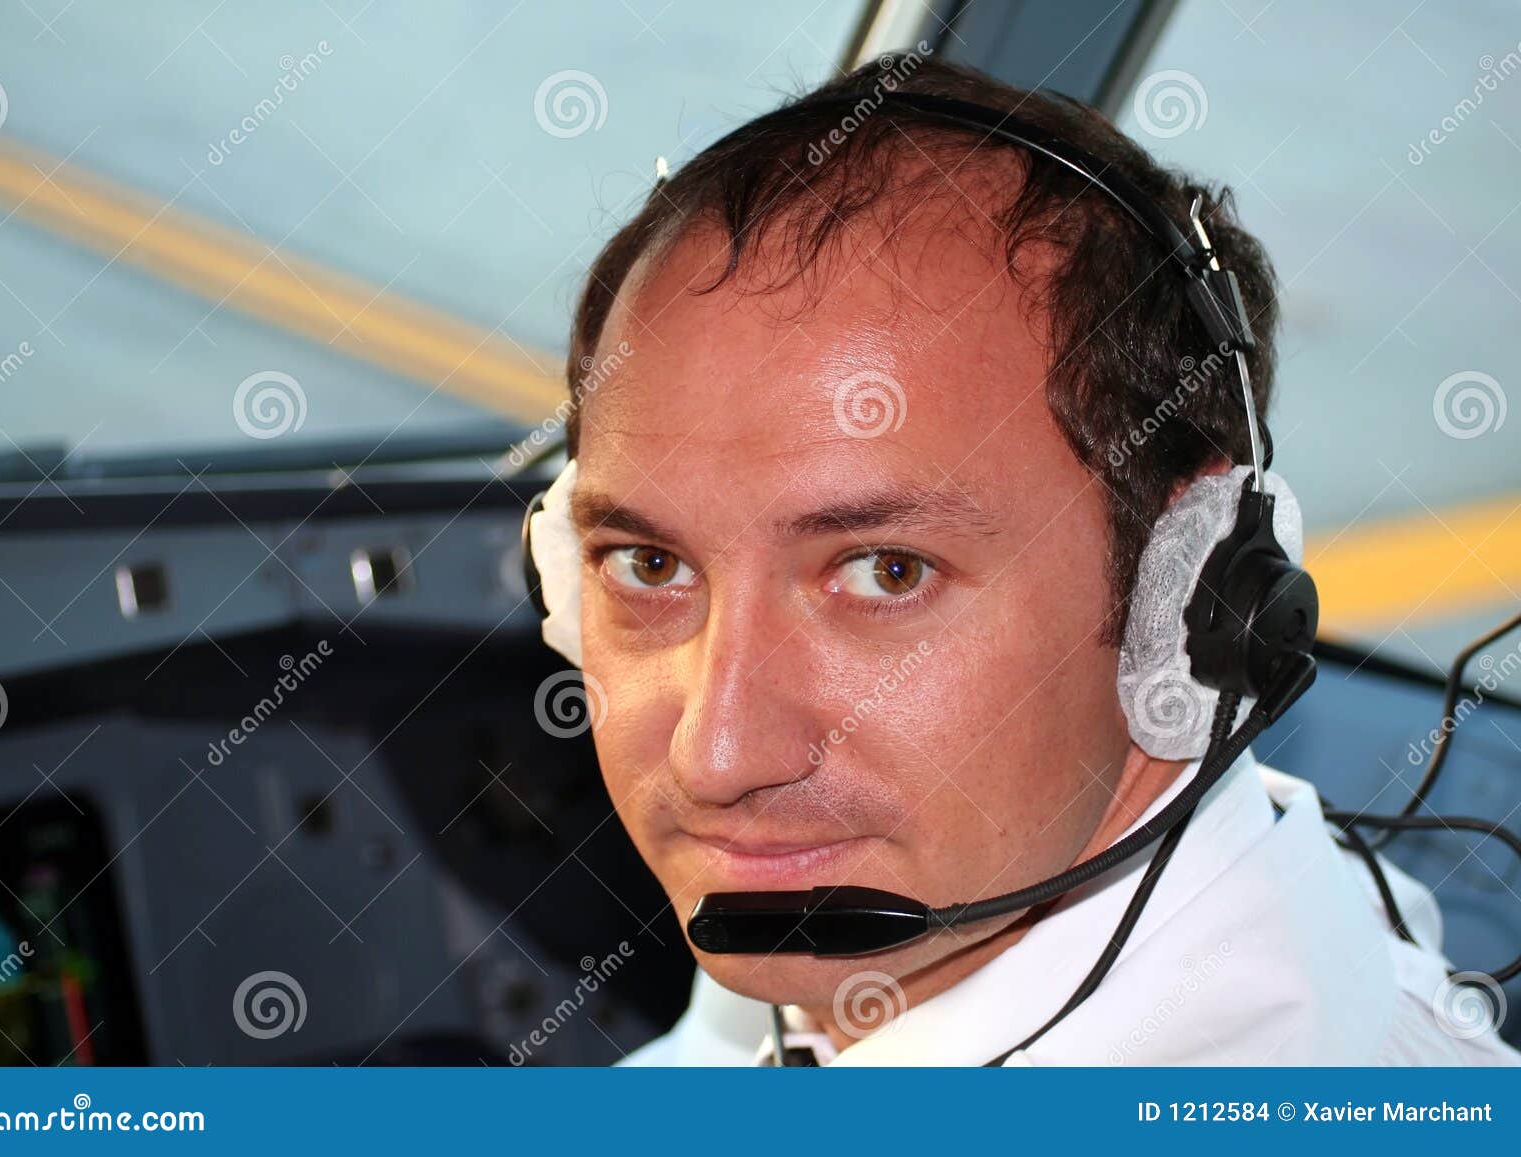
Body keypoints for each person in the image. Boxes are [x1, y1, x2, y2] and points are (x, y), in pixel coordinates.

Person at [529, 58, 1520, 1065]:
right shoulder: (861, 912)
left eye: (886, 572)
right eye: (649, 564)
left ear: (1181, 603)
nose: (716, 755)